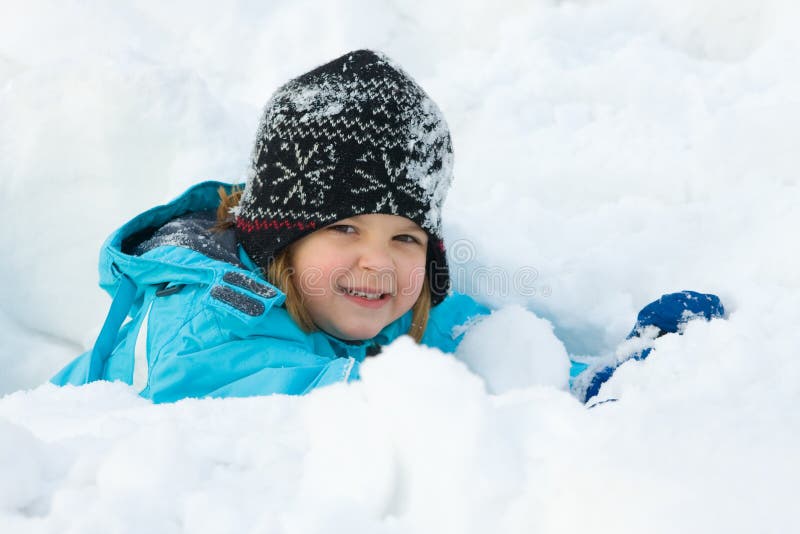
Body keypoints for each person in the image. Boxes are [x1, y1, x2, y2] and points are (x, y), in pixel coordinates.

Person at [50, 50, 723, 404]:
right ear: (279, 237)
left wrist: (596, 376)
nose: (379, 263)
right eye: (345, 229)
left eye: (404, 237)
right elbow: (301, 409)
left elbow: (484, 349)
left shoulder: (378, 302)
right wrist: (507, 403)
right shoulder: (202, 323)